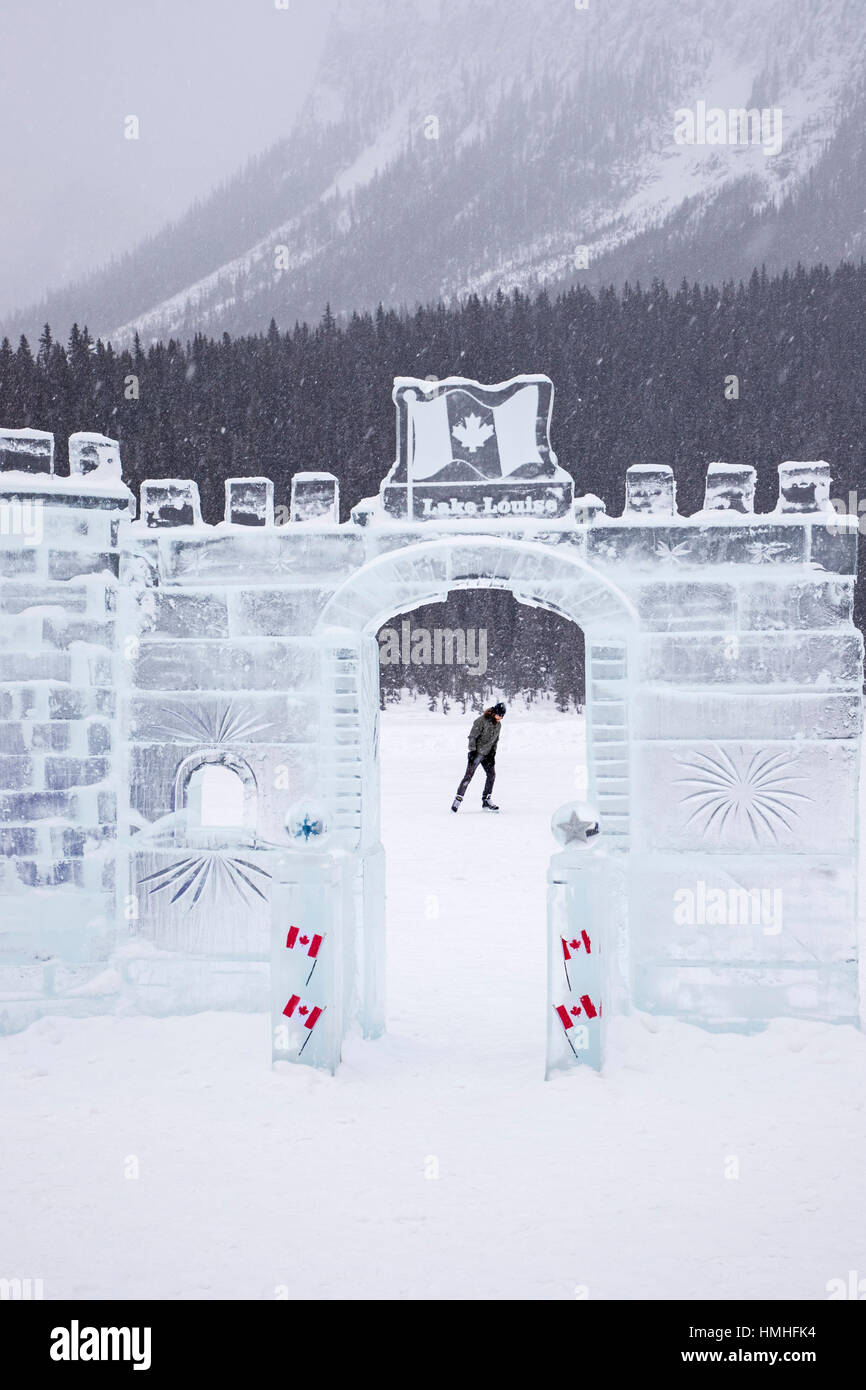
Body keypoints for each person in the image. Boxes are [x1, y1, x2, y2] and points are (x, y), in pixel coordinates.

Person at [451, 702, 506, 813]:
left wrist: (493, 753)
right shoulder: (481, 721)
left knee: (491, 775)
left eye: (502, 716)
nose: (500, 717)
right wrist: (472, 751)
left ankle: (486, 800)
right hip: (477, 753)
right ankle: (458, 800)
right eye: (499, 715)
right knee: (468, 777)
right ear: (494, 712)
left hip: (488, 754)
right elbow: (472, 736)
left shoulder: (498, 725)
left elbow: (495, 740)